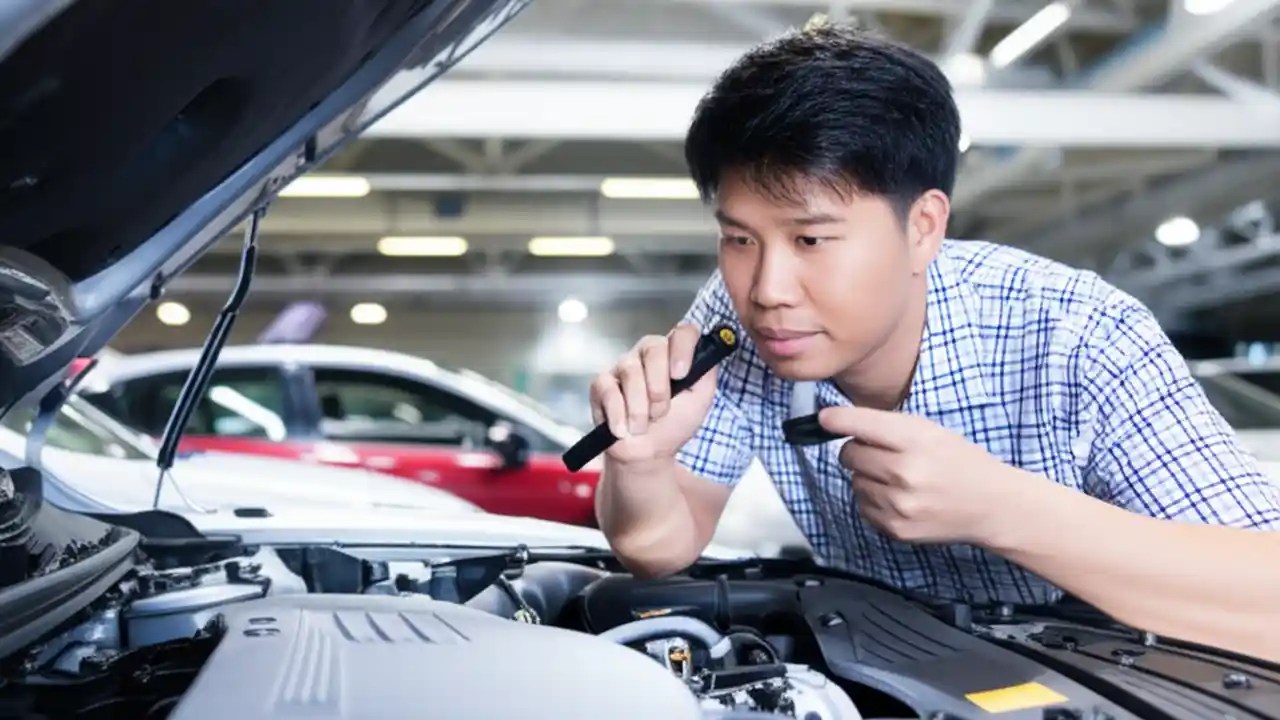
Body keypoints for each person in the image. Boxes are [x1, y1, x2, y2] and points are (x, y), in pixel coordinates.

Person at [588, 21, 1280, 660]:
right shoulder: (737, 318)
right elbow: (658, 549)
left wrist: (1001, 509)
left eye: (811, 239)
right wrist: (642, 461)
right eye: (739, 238)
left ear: (923, 226)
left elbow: (1268, 597)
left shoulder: (1077, 333)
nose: (768, 286)